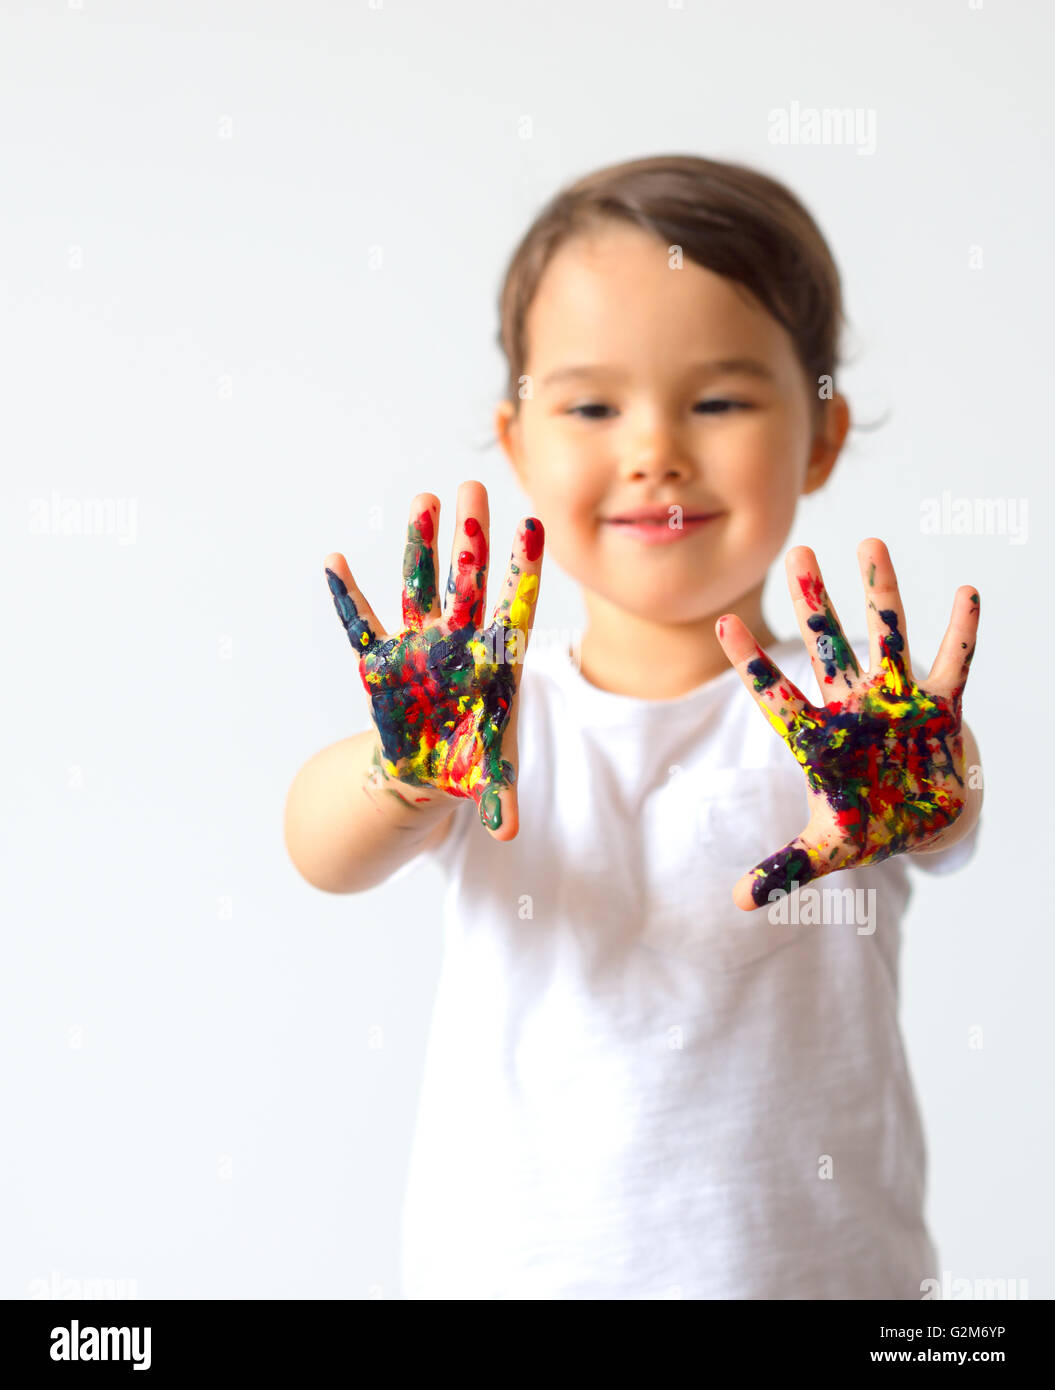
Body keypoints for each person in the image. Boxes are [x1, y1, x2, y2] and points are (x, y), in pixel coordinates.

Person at [284, 154, 983, 1299]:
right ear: (515, 442)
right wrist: (403, 771)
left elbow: (941, 811)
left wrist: (922, 785)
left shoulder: (853, 722)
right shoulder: (492, 717)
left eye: (717, 399)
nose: (653, 447)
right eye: (592, 404)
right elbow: (319, 845)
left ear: (818, 435)